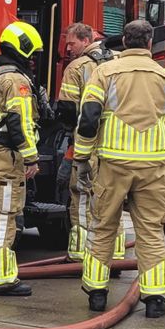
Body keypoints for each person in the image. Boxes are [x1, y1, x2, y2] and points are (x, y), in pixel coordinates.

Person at [73, 19, 165, 318]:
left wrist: (81, 158)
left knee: (103, 227)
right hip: (152, 168)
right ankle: (155, 298)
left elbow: (89, 118)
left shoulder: (104, 73)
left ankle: (96, 292)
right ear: (148, 44)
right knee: (151, 232)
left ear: (124, 43)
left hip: (113, 166)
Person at [0, 21, 43, 296]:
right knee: (4, 216)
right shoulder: (15, 80)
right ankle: (2, 278)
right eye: (33, 54)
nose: (33, 60)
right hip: (6, 158)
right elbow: (20, 123)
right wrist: (31, 158)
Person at [55, 22, 125, 261]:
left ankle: (81, 253)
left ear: (86, 41)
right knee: (112, 198)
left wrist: (71, 139)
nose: (69, 49)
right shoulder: (120, 61)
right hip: (118, 145)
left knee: (82, 194)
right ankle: (114, 254)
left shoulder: (77, 67)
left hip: (88, 144)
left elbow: (67, 110)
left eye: (72, 43)